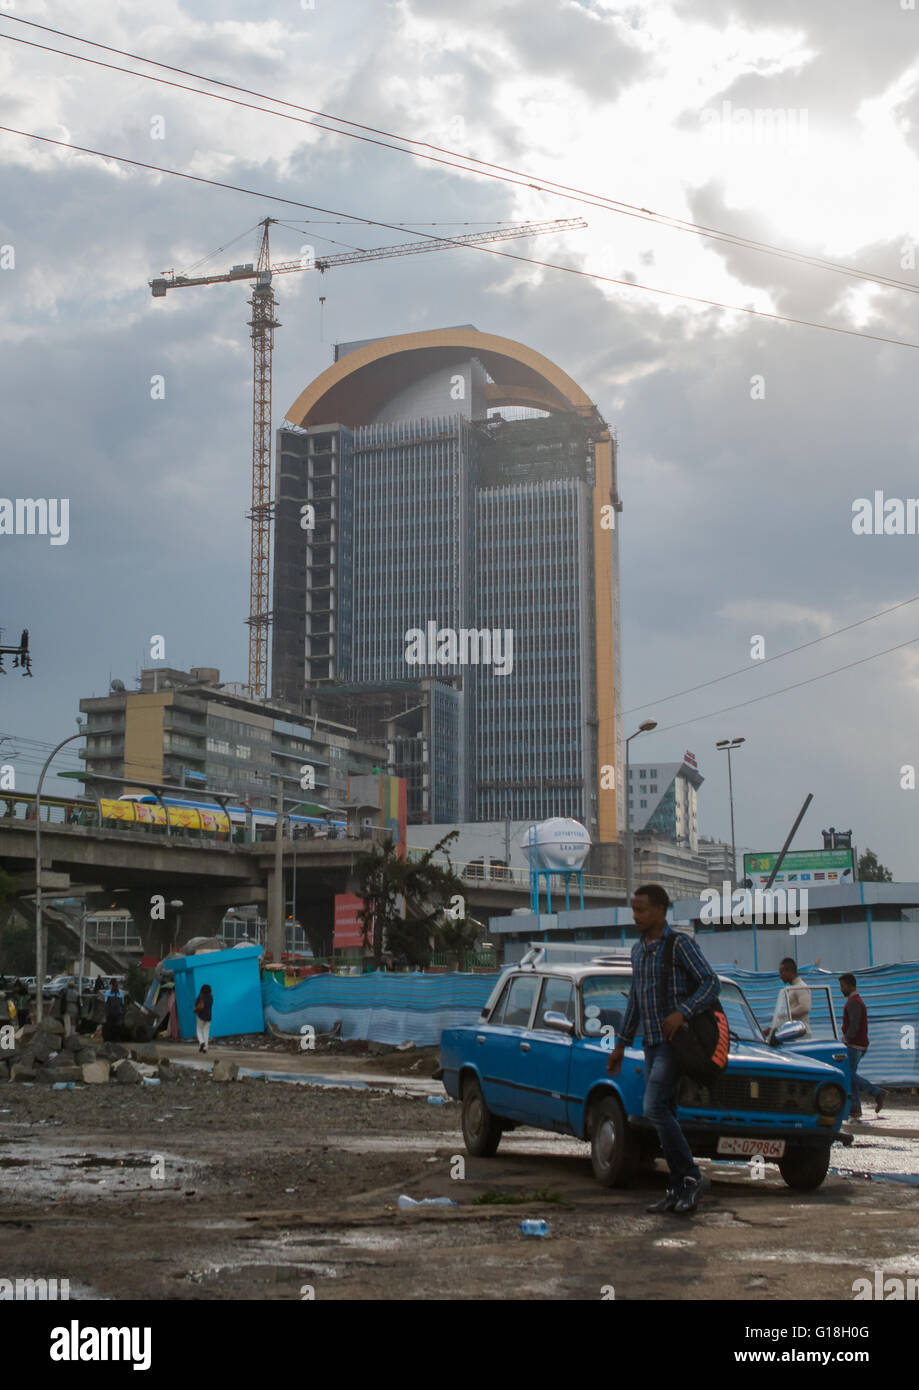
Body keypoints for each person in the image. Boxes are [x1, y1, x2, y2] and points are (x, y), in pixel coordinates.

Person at [606, 883, 720, 1215]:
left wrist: (682, 1011)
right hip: (651, 1045)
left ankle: (692, 1177)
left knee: (653, 1107)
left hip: (677, 1046)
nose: (635, 915)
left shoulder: (680, 944)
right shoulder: (638, 951)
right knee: (665, 1114)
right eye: (633, 909)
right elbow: (636, 1003)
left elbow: (710, 983)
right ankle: (678, 1187)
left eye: (641, 909)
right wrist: (621, 1045)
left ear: (660, 910)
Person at [839, 973, 886, 1120]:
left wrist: (846, 1039)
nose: (841, 989)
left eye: (842, 986)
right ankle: (855, 1108)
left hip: (855, 1045)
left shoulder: (854, 1002)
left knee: (848, 1074)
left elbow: (854, 1025)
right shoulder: (855, 1001)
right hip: (857, 1044)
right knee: (851, 1075)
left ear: (850, 985)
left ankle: (876, 1092)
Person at [766, 958, 811, 1042]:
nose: (780, 976)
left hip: (800, 1034)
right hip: (790, 1033)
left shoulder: (801, 986)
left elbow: (805, 1007)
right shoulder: (790, 988)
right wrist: (771, 1028)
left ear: (789, 971)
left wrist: (786, 1014)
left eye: (781, 972)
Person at [193, 983, 213, 1053]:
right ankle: (205, 1048)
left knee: (198, 1030)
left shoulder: (201, 996)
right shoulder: (211, 997)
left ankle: (201, 1042)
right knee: (206, 1032)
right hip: (209, 1017)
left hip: (201, 1016)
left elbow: (196, 1004)